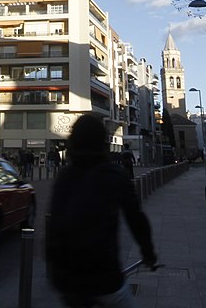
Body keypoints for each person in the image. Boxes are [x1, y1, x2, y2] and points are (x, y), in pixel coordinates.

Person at [47, 113, 157, 307]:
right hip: (105, 277)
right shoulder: (114, 175)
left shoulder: (65, 177)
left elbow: (53, 226)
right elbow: (136, 218)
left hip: (70, 281)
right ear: (102, 141)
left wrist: (57, 274)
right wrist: (148, 252)